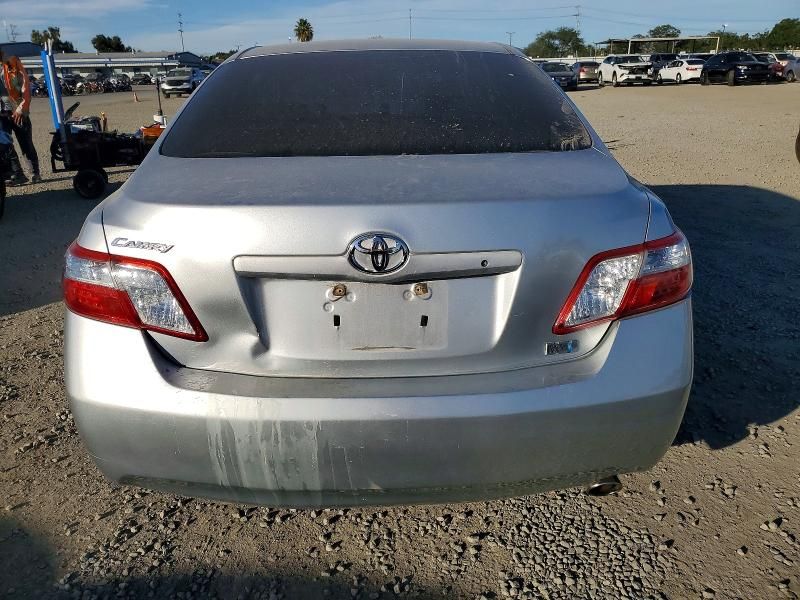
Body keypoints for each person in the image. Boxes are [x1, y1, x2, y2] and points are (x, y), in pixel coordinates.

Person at [0, 49, 40, 184]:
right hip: (1, 113)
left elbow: (25, 87)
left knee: (26, 143)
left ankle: (35, 172)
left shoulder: (13, 62)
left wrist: (21, 109)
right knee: (6, 146)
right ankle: (17, 174)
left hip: (17, 110)